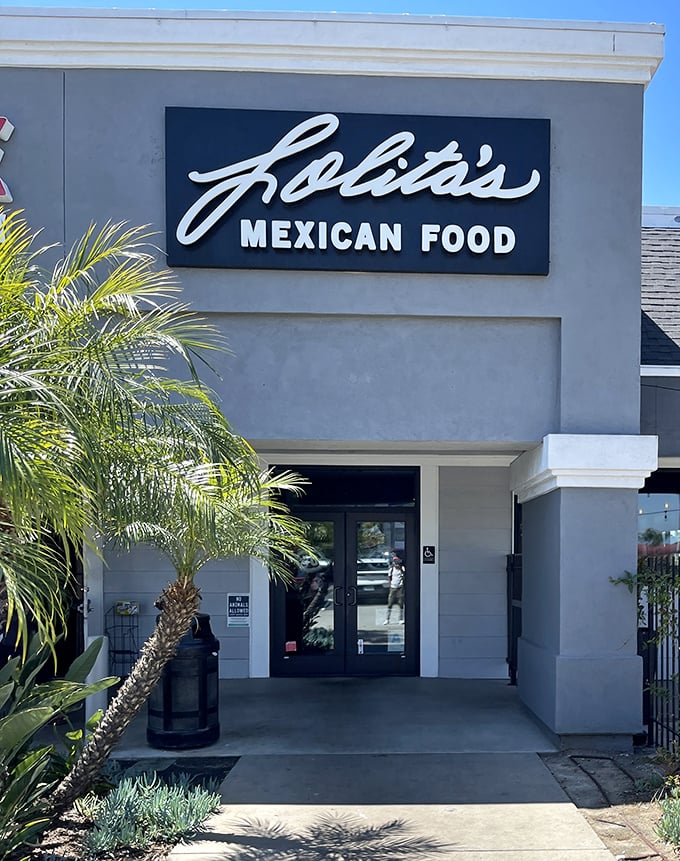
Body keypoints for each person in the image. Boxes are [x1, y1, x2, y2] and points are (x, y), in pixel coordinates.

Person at [383, 554, 405, 624]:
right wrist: (390, 585)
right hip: (393, 587)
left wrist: (401, 569)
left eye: (397, 562)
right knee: (390, 603)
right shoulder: (391, 569)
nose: (396, 564)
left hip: (400, 587)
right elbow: (389, 577)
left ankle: (401, 619)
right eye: (395, 562)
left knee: (401, 603)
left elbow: (405, 575)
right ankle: (387, 619)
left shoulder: (402, 568)